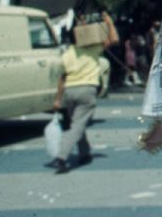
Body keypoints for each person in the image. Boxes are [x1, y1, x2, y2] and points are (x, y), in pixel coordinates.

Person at [49, 11, 116, 174]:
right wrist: (109, 22)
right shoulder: (93, 49)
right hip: (87, 90)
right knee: (78, 125)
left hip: (69, 91)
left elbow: (62, 78)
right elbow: (114, 39)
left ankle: (84, 153)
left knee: (78, 123)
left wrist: (58, 99)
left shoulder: (67, 53)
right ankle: (61, 157)